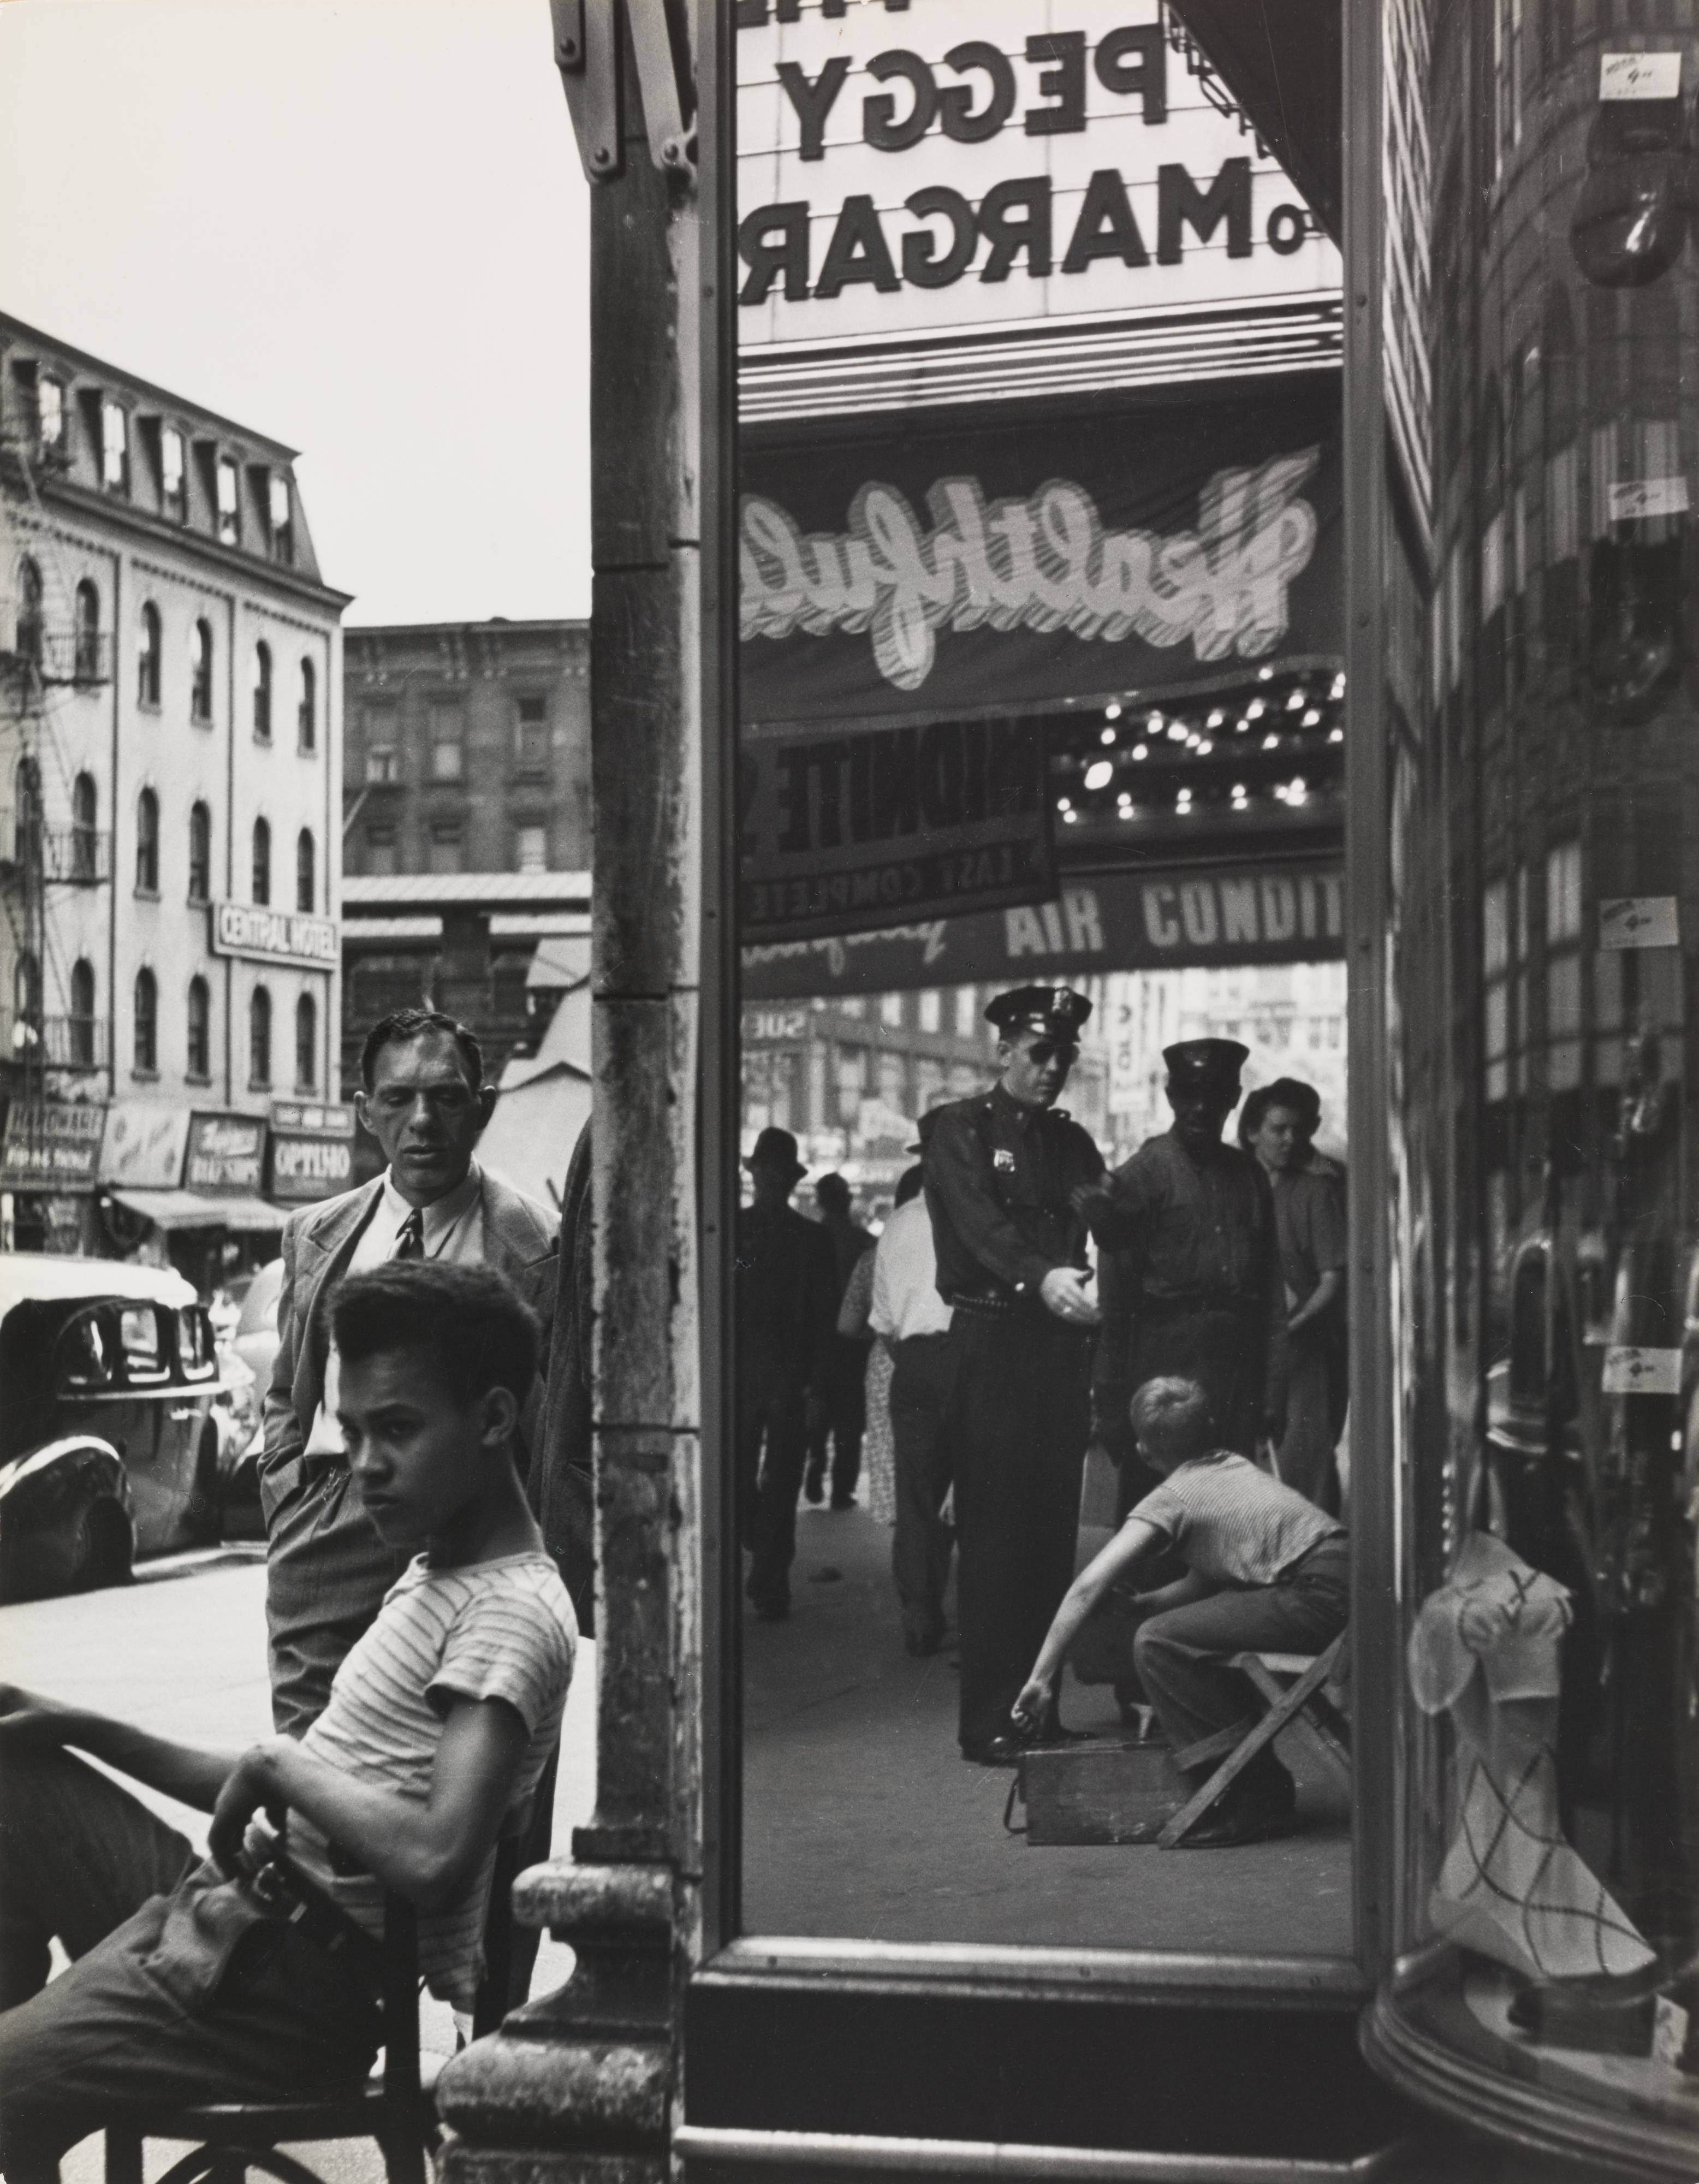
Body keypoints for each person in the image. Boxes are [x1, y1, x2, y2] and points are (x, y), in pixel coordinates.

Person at [0, 1261, 577, 2177]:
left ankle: (29, 2078)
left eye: (398, 1430)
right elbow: (282, 1780)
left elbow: (437, 1858)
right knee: (15, 1776)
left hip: (285, 1994)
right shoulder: (442, 1572)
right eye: (352, 1431)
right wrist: (74, 1723)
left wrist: (279, 1766)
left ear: (495, 1418)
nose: (366, 1465)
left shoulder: (507, 1609)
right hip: (234, 1920)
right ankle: (37, 2071)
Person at [260, 1007, 560, 1738]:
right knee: (308, 1757)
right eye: (398, 1098)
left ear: (482, 1107)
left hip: (471, 1527)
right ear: (367, 1112)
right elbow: (287, 1387)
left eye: (446, 1097)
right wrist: (288, 1493)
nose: (422, 1121)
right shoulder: (317, 1233)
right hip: (330, 1520)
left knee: (472, 1757)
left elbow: (555, 1418)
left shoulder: (540, 1247)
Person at [1014, 1376, 1347, 1848]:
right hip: (1347, 1581)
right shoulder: (1233, 1466)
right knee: (1177, 1629)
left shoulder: (1171, 1498)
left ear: (1143, 1452)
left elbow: (1087, 1586)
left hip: (1315, 1595)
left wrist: (1041, 1678)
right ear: (1209, 1426)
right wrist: (1140, 1605)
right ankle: (1258, 1780)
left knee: (1156, 1641)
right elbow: (1202, 1583)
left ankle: (1253, 1791)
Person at [923, 985, 1104, 1764]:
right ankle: (989, 1721)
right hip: (992, 1338)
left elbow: (1103, 1218)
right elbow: (980, 1225)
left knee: (1049, 1534)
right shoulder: (959, 1129)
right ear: (1003, 1052)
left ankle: (1036, 1711)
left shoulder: (1072, 1143)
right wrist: (1041, 1275)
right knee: (996, 1535)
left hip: (1058, 1347)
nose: (1053, 1067)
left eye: (1065, 1055)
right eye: (1039, 1052)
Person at [1082, 1038, 1287, 1521]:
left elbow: (1270, 1298)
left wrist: (1273, 1392)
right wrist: (1111, 1404)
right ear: (1171, 1096)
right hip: (1162, 1369)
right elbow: (1115, 1303)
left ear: (1233, 1098)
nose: (1200, 1107)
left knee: (1229, 1517)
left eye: (1214, 1096)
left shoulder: (1249, 1177)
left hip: (1233, 1374)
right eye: (1188, 1094)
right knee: (1159, 1518)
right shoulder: (1143, 1174)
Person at [736, 1126, 839, 1621]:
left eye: (780, 1173)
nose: (771, 1180)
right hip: (741, 1378)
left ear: (791, 1180)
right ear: (755, 1174)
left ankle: (771, 1582)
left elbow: (825, 1321)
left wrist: (818, 1388)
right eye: (766, 1171)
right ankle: (763, 1547)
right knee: (739, 1482)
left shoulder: (813, 1241)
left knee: (780, 1483)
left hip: (790, 1380)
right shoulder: (730, 1232)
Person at [1241, 1079, 1347, 1513]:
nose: (1290, 1139)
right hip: (1247, 1343)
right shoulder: (1238, 1185)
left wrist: (1292, 1326)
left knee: (1303, 1462)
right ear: (1252, 1132)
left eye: (1297, 1130)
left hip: (1303, 1349)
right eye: (1278, 1129)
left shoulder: (1315, 1191)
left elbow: (1332, 1279)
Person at [869, 1160, 955, 1655]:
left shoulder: (897, 1225)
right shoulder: (974, 1217)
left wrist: (916, 1361)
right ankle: (981, 1623)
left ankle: (921, 1619)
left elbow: (883, 1322)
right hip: (967, 1359)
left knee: (917, 1499)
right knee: (980, 1492)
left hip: (914, 1364)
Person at [805, 1172, 876, 1510]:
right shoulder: (865, 1242)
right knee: (850, 1417)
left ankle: (815, 1462)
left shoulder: (804, 1238)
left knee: (818, 1405)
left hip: (815, 1339)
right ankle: (842, 1489)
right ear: (847, 1201)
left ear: (819, 1202)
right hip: (855, 1340)